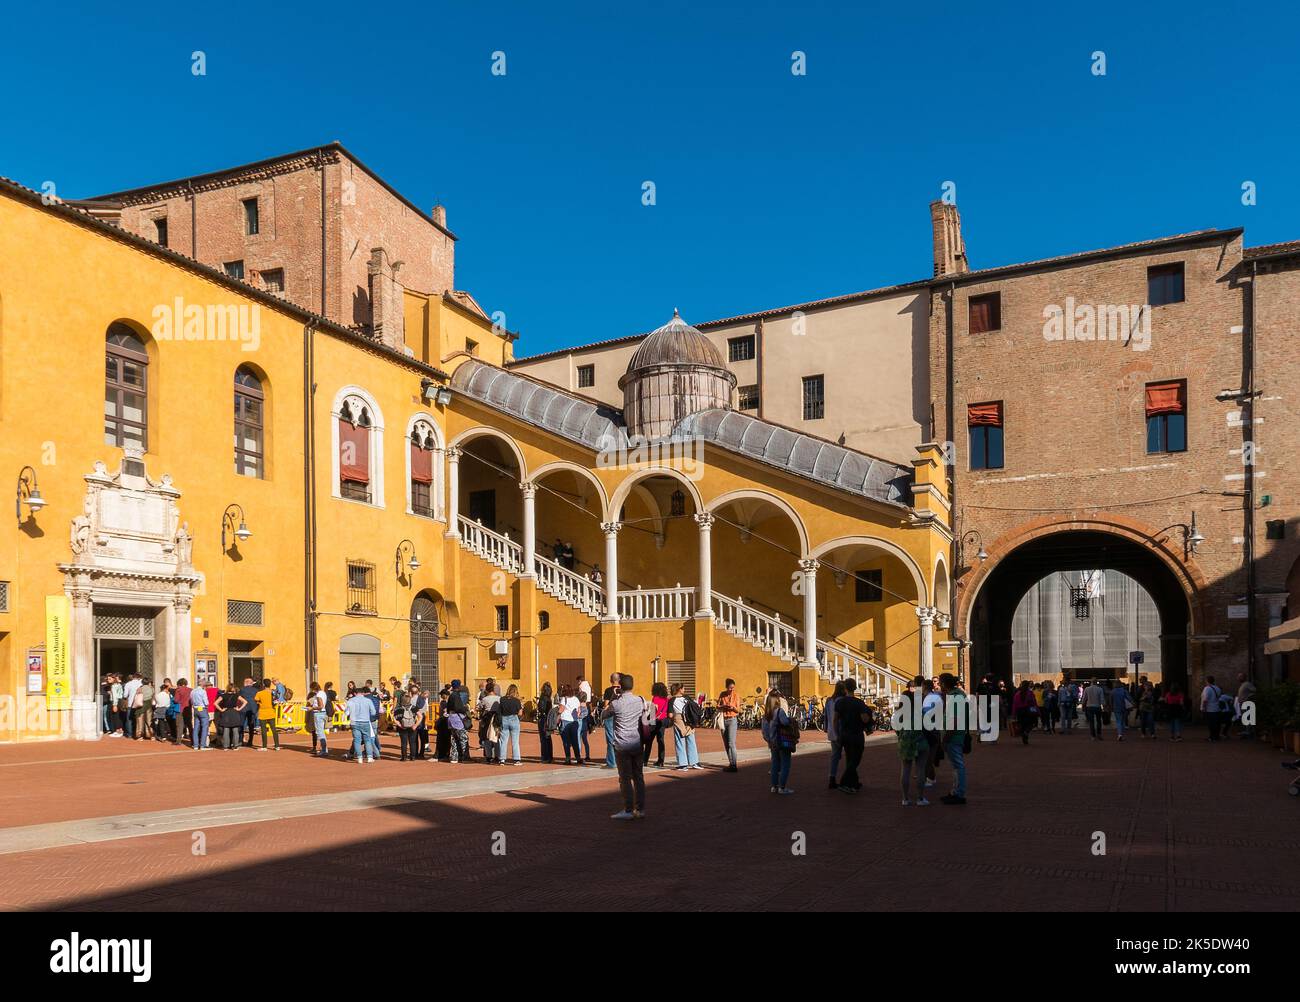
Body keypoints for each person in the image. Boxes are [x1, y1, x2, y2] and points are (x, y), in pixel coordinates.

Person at [603, 673, 653, 819]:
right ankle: (641, 808)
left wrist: (613, 698)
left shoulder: (616, 703)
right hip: (637, 743)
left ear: (620, 687)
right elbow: (653, 712)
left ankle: (628, 810)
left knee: (625, 778)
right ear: (632, 686)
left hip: (622, 744)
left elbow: (603, 715)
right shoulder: (640, 700)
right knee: (638, 776)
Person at [834, 678, 871, 793]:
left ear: (845, 688)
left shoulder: (839, 702)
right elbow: (864, 719)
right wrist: (870, 717)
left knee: (850, 758)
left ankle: (853, 783)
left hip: (844, 734)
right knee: (855, 759)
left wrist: (836, 734)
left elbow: (835, 720)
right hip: (856, 734)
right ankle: (844, 783)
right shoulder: (859, 703)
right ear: (855, 688)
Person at [939, 673, 970, 805]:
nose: (939, 685)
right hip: (956, 734)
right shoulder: (956, 695)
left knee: (958, 765)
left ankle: (959, 793)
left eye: (940, 682)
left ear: (945, 684)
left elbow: (955, 720)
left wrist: (946, 737)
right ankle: (955, 790)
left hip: (954, 736)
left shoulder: (955, 697)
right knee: (956, 765)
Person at [896, 684, 929, 806]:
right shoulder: (920, 712)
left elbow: (897, 729)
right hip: (920, 741)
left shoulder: (899, 714)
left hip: (905, 742)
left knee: (905, 770)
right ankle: (920, 798)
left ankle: (905, 798)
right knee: (920, 770)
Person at [761, 690, 796, 794]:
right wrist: (791, 720)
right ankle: (782, 787)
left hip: (772, 743)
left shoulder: (765, 715)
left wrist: (769, 740)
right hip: (782, 741)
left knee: (774, 765)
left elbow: (764, 732)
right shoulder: (779, 711)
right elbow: (785, 722)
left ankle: (774, 786)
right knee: (785, 764)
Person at [668, 683, 702, 770]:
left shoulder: (672, 700)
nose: (684, 690)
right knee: (691, 740)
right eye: (683, 688)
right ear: (680, 689)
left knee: (679, 741)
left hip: (678, 719)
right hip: (689, 720)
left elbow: (670, 715)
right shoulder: (687, 697)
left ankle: (683, 764)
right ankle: (695, 762)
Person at [346, 686, 377, 763]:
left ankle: (359, 758)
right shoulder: (368, 700)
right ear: (362, 693)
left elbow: (346, 712)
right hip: (365, 722)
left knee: (357, 740)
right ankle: (369, 757)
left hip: (354, 722)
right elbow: (373, 712)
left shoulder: (350, 700)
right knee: (367, 740)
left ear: (354, 693)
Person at [825, 680, 846, 790]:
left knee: (834, 756)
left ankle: (832, 778)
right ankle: (847, 779)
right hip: (842, 731)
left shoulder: (829, 700)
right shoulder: (842, 701)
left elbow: (826, 717)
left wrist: (826, 728)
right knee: (849, 755)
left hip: (831, 731)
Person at [717, 678, 741, 773]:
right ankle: (731, 763)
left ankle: (734, 764)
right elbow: (717, 706)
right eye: (730, 688)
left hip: (732, 720)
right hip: (724, 720)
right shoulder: (722, 694)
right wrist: (723, 706)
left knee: (731, 743)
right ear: (726, 687)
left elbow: (738, 710)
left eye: (733, 688)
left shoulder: (736, 695)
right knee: (726, 743)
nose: (732, 690)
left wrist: (733, 707)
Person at [496, 684, 523, 765]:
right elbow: (520, 713)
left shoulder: (502, 699)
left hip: (504, 719)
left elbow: (499, 711)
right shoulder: (516, 700)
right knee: (515, 741)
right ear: (515, 691)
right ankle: (516, 759)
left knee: (503, 741)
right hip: (514, 719)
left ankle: (502, 759)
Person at [643, 681, 668, 768]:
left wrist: (648, 721)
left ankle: (644, 760)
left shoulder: (655, 698)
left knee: (649, 742)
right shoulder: (666, 699)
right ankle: (661, 761)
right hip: (663, 721)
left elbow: (653, 712)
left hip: (654, 722)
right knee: (661, 741)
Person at [215, 684, 247, 751]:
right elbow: (245, 702)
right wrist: (239, 709)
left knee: (226, 729)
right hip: (234, 712)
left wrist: (221, 709)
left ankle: (226, 746)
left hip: (226, 712)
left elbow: (215, 703)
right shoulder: (236, 695)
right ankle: (235, 746)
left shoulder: (223, 695)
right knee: (235, 729)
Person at [446, 679, 471, 763]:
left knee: (454, 739)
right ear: (458, 686)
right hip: (457, 720)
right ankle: (465, 757)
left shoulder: (451, 695)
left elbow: (449, 708)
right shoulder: (456, 696)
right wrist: (465, 709)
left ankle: (454, 757)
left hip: (451, 718)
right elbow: (458, 708)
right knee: (463, 738)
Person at [600, 673, 621, 769]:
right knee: (619, 737)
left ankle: (611, 762)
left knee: (610, 738)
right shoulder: (622, 690)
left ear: (611, 680)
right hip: (620, 715)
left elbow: (606, 704)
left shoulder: (608, 690)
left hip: (610, 715)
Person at [557, 684, 582, 764]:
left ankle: (568, 758)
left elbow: (561, 710)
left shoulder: (564, 699)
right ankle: (578, 757)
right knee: (575, 740)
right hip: (574, 721)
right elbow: (578, 710)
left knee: (566, 741)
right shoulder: (576, 699)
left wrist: (557, 713)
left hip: (565, 720)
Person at [255, 678, 280, 750]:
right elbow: (276, 701)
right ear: (270, 684)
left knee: (263, 730)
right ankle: (277, 746)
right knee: (274, 729)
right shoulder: (273, 692)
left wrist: (260, 703)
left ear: (263, 684)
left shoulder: (259, 693)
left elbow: (256, 700)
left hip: (263, 712)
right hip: (271, 712)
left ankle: (264, 746)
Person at [1011, 680, 1038, 746]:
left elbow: (1015, 704)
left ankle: (1024, 735)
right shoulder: (1030, 693)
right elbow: (1034, 702)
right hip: (1028, 710)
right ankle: (1026, 733)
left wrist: (1014, 713)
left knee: (1022, 724)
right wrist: (1037, 711)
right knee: (1031, 724)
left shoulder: (1017, 694)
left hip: (1020, 711)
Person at [306, 683, 329, 757]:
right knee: (321, 732)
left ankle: (324, 750)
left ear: (313, 688)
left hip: (318, 714)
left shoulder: (319, 695)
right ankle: (324, 749)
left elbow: (321, 706)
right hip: (322, 713)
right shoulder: (323, 693)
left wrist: (312, 708)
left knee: (320, 733)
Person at [1200, 675, 1223, 741]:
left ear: (1207, 681)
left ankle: (1212, 737)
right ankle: (1217, 736)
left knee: (1211, 724)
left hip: (1209, 709)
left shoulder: (1207, 688)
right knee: (1217, 724)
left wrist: (1203, 708)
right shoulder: (1217, 688)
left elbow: (1205, 699)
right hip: (1217, 708)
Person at [535, 681, 554, 763]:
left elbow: (542, 709)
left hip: (543, 719)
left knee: (543, 738)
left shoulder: (543, 698)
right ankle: (550, 756)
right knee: (548, 738)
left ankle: (544, 757)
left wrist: (537, 705)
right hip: (548, 719)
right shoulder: (549, 698)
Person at [239, 677, 260, 746]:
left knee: (241, 725)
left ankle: (241, 740)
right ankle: (250, 741)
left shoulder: (242, 689)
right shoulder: (256, 690)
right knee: (251, 726)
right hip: (253, 709)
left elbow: (239, 698)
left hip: (243, 708)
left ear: (246, 683)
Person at [1236, 673, 1257, 739]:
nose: (1238, 678)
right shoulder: (1243, 685)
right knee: (1245, 718)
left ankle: (1249, 733)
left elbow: (1255, 690)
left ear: (1244, 677)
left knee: (1248, 718)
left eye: (1240, 677)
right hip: (1243, 703)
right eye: (1238, 677)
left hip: (1247, 703)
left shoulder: (1247, 684)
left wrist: (1248, 697)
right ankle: (1247, 732)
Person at [190, 682, 211, 751]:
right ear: (203, 685)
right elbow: (206, 702)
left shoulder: (193, 691)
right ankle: (202, 745)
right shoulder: (203, 691)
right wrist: (207, 706)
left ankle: (195, 745)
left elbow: (191, 701)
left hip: (196, 709)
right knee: (205, 727)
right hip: (202, 708)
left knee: (196, 727)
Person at [122, 673, 142, 738]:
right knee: (139, 719)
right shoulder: (141, 684)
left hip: (130, 704)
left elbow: (125, 695)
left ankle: (130, 734)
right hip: (139, 704)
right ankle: (138, 733)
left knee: (129, 719)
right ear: (139, 678)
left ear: (133, 677)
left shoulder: (128, 684)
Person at [174, 677, 193, 745]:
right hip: (188, 708)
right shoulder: (191, 690)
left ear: (179, 684)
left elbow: (176, 700)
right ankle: (193, 740)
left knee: (180, 725)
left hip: (180, 709)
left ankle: (178, 740)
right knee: (189, 725)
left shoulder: (178, 690)